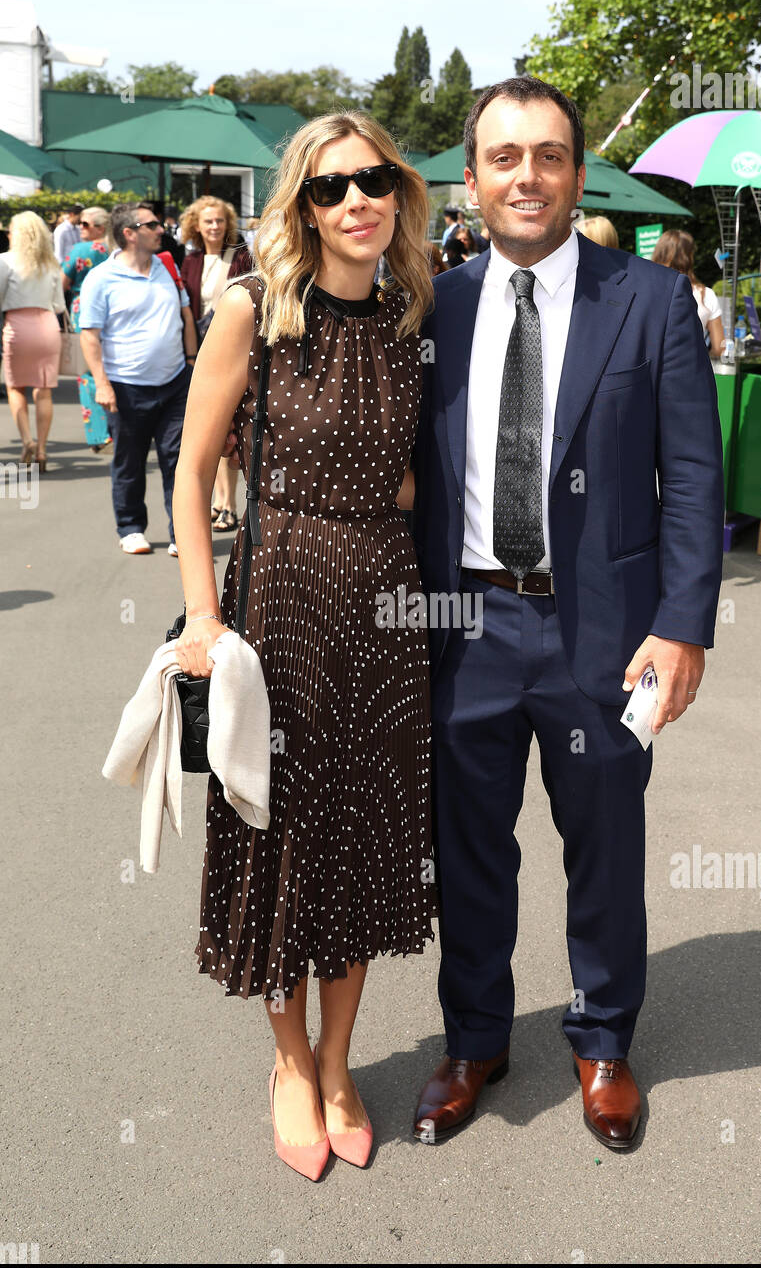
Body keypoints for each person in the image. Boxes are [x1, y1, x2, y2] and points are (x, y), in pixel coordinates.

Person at [410, 76, 724, 1151]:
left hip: (606, 632)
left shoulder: (648, 300)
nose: (526, 175)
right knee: (468, 853)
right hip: (465, 628)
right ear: (473, 177)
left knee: (602, 845)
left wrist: (682, 624)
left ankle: (600, 1039)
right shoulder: (434, 306)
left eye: (547, 154)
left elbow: (690, 475)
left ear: (576, 172)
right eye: (504, 157)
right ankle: (476, 1038)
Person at [173, 111, 436, 1181]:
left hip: (387, 614)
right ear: (301, 205)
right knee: (276, 842)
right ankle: (288, 1062)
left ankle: (338, 1063)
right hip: (277, 608)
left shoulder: (410, 314)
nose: (356, 201)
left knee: (366, 838)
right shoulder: (253, 309)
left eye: (373, 179)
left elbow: (413, 467)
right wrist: (201, 614)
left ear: (400, 193)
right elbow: (189, 475)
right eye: (331, 188)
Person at [78, 202, 198, 556]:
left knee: (177, 460)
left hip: (175, 382)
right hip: (126, 386)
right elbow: (89, 335)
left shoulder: (166, 266)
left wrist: (191, 363)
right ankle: (131, 527)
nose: (161, 229)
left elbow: (185, 314)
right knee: (129, 461)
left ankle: (182, 533)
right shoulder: (100, 279)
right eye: (152, 224)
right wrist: (101, 383)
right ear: (129, 233)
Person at [179, 197, 253, 532]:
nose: (214, 227)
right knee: (209, 429)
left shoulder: (240, 256)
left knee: (230, 428)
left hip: (233, 350)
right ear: (196, 224)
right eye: (208, 221)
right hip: (199, 350)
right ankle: (217, 500)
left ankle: (229, 504)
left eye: (220, 221)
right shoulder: (191, 260)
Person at [0, 210, 65, 470]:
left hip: (18, 325)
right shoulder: (51, 264)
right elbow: (59, 305)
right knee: (44, 389)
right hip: (48, 325)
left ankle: (27, 439)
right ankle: (42, 449)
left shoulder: (5, 260)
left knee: (16, 387)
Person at [60, 206, 113, 452]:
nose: (80, 227)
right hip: (114, 308)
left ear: (100, 227)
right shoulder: (116, 248)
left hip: (85, 309)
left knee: (88, 370)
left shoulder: (81, 250)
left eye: (85, 224)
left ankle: (100, 433)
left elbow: (63, 281)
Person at [651, 229, 724, 358]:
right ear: (689, 257)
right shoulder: (707, 296)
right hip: (688, 369)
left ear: (658, 253)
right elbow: (719, 348)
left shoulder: (645, 289)